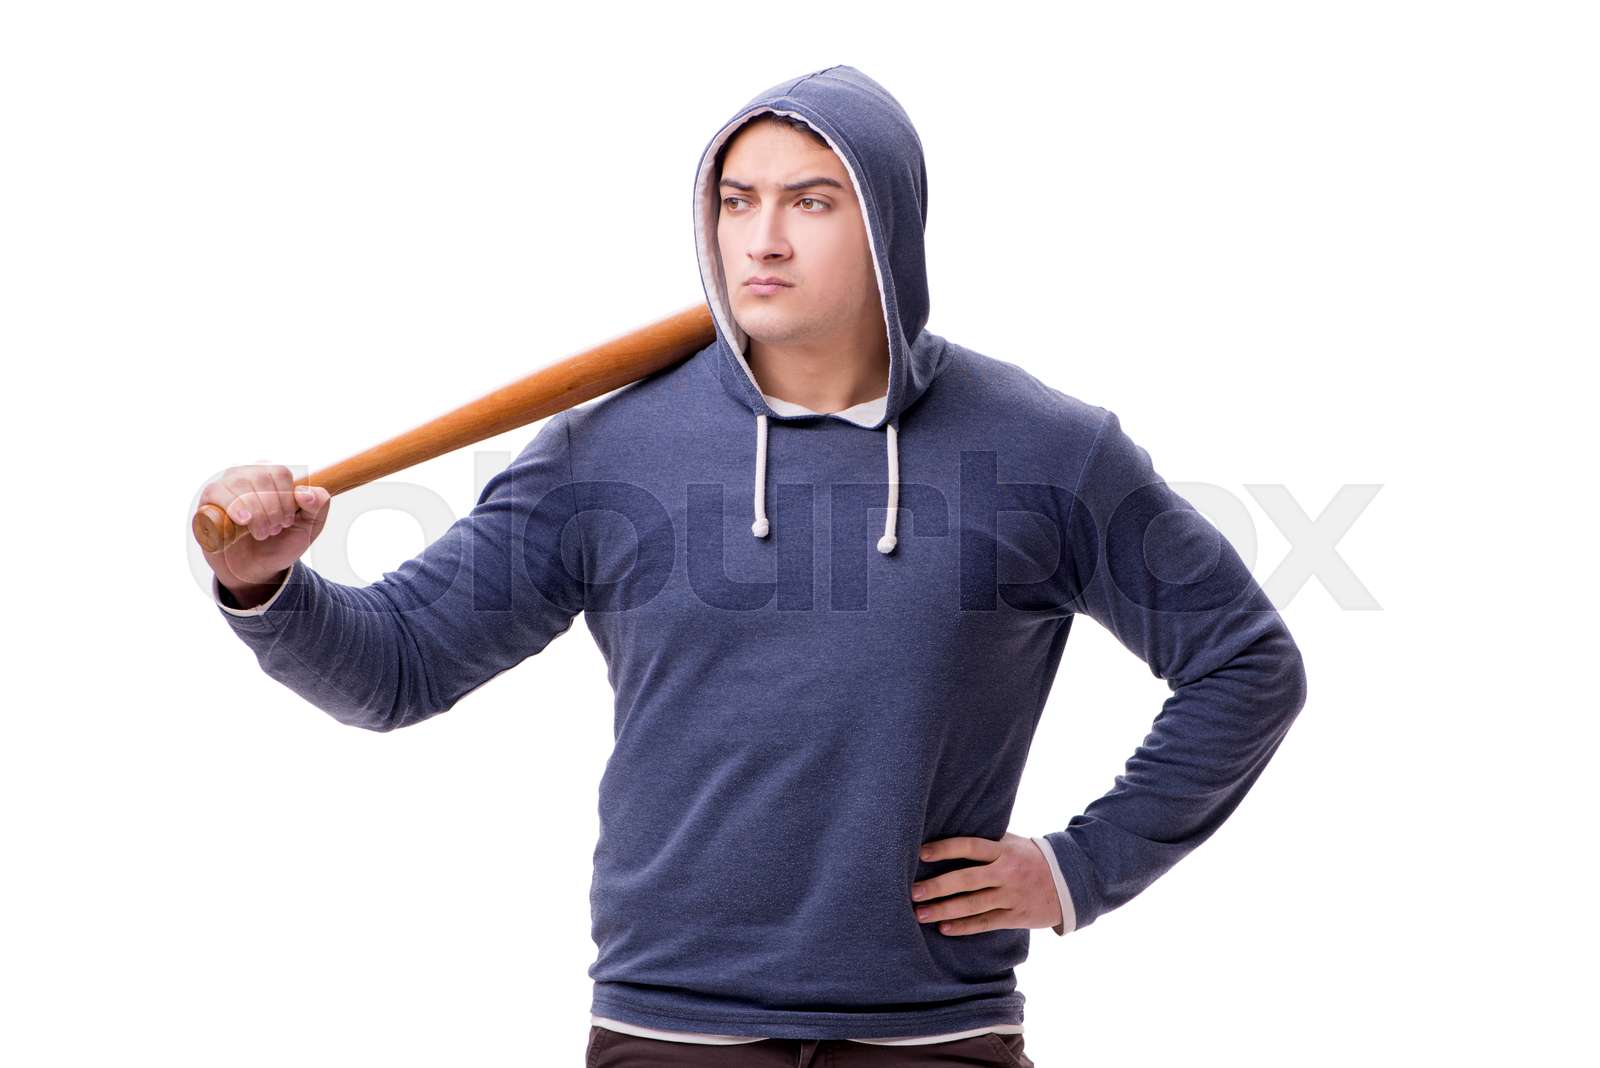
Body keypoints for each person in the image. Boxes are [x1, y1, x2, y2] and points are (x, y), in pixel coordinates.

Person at [199, 64, 1307, 1066]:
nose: (761, 239)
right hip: (668, 1027)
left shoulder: (1050, 452)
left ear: (889, 223)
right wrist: (270, 586)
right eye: (737, 201)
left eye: (810, 201)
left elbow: (1245, 665)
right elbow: (395, 672)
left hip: (938, 1031)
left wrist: (1078, 871)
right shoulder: (606, 451)